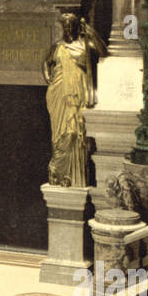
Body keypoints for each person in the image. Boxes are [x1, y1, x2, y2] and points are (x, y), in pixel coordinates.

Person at [43, 13, 107, 188]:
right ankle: (58, 173)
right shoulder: (57, 46)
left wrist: (92, 34)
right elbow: (46, 62)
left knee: (73, 132)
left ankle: (72, 175)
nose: (67, 29)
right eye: (64, 26)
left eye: (70, 26)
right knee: (59, 133)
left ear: (76, 27)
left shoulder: (85, 46)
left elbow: (103, 52)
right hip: (59, 94)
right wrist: (48, 75)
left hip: (78, 94)